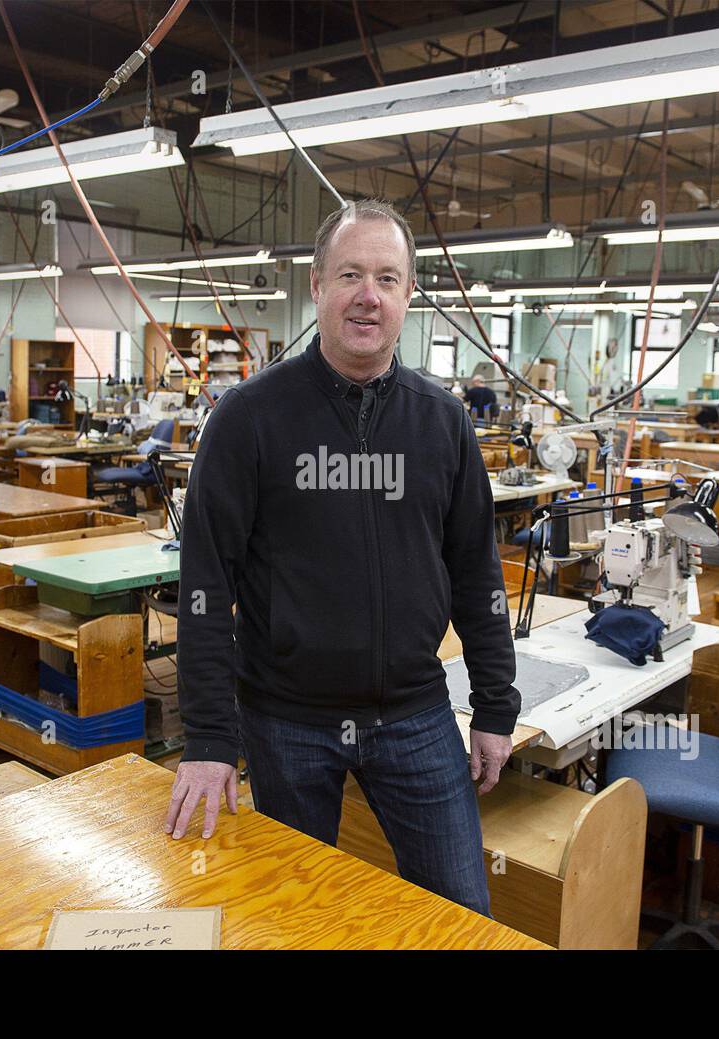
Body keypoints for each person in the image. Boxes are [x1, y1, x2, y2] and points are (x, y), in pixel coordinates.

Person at [165, 199, 519, 915]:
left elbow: (477, 575)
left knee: (459, 917)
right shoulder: (249, 418)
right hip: (286, 719)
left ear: (407, 297)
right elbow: (205, 587)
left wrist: (495, 705)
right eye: (351, 274)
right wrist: (208, 738)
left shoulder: (443, 420)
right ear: (318, 287)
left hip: (417, 715)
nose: (368, 294)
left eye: (387, 278)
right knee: (294, 916)